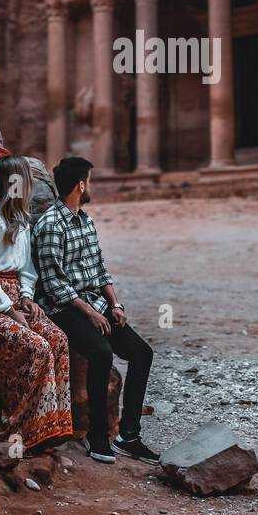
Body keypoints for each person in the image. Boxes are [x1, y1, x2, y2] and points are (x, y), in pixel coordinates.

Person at [33, 156, 159, 465]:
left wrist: (114, 304)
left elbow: (100, 269)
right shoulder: (50, 224)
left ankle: (129, 436)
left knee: (142, 354)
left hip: (97, 305)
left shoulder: (86, 220)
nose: (91, 186)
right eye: (89, 180)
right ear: (80, 185)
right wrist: (91, 313)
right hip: (64, 308)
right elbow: (54, 284)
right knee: (101, 353)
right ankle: (97, 436)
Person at [0, 155, 73, 453]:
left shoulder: (21, 218)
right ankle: (16, 429)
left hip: (13, 300)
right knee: (37, 347)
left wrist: (25, 297)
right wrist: (10, 310)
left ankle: (50, 426)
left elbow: (26, 270)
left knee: (58, 339)